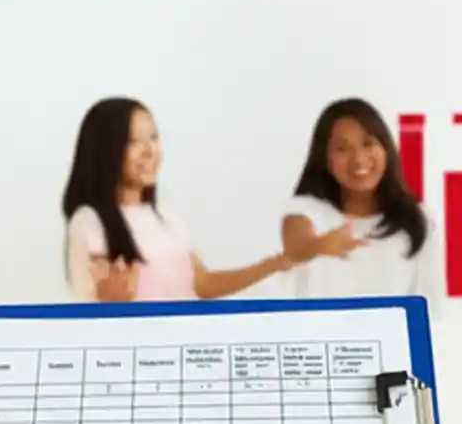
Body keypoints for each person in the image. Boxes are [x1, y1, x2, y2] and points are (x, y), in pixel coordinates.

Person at [63, 97, 299, 303]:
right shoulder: (89, 222)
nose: (149, 151)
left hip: (183, 344)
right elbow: (93, 306)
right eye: (133, 142)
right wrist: (113, 301)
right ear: (106, 151)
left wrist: (273, 264)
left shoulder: (165, 214)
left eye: (153, 138)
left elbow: (202, 284)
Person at [279, 98, 443, 315]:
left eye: (368, 144)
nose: (359, 159)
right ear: (325, 159)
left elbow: (432, 312)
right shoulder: (306, 215)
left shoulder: (416, 220)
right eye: (342, 148)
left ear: (386, 148)